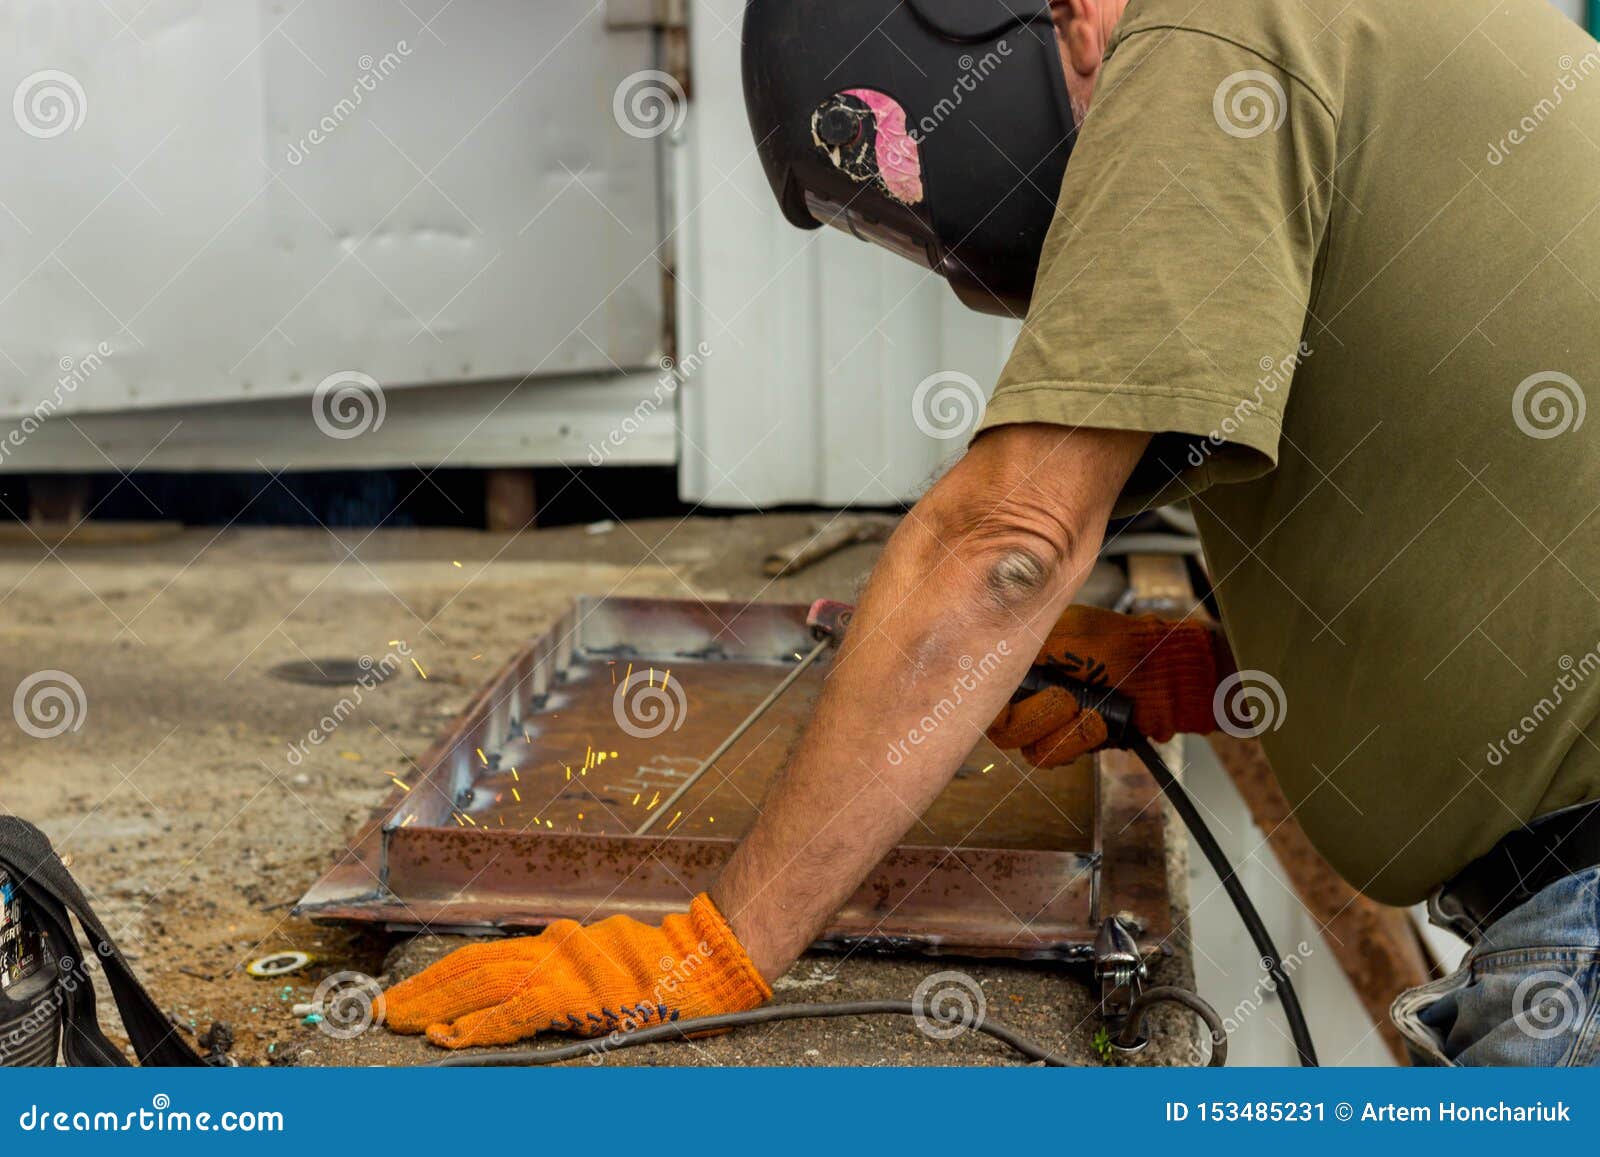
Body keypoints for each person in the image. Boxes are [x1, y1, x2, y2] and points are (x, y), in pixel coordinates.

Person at [384, 0, 1600, 1066]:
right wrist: (1185, 673)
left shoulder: (1209, 34)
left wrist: (717, 943)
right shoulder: (1335, 48)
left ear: (1065, 17)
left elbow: (1009, 537)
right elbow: (1491, 520)